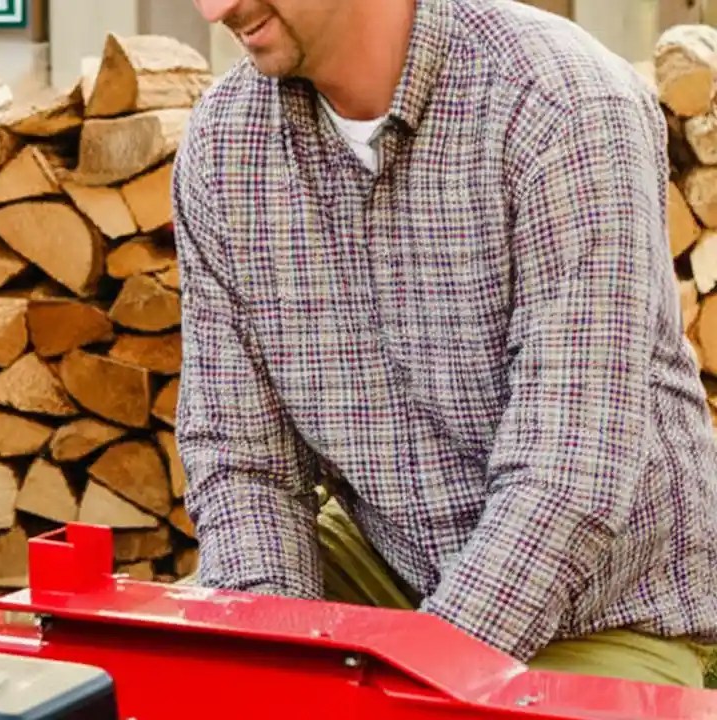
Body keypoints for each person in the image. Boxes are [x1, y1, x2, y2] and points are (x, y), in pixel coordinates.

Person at [172, 0, 717, 688]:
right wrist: (278, 671)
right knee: (184, 680)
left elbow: (570, 471)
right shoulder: (225, 144)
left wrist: (411, 682)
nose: (213, 8)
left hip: (599, 607)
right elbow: (243, 462)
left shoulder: (563, 103)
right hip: (382, 558)